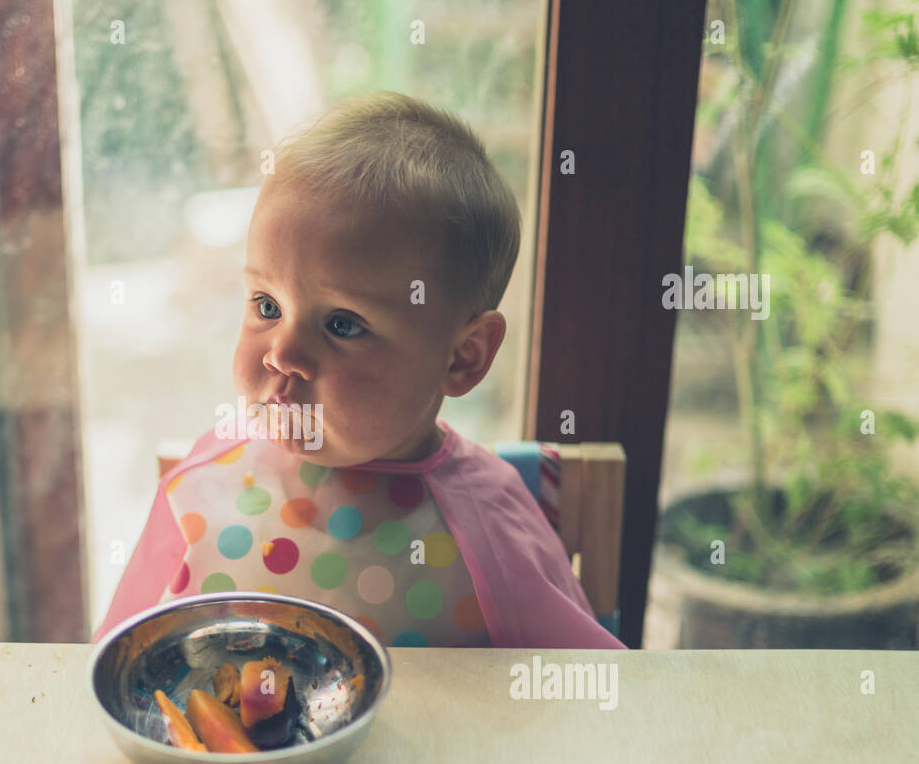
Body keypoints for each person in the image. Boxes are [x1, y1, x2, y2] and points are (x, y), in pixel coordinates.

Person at [93, 91, 625, 650]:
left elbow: (587, 700)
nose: (281, 354)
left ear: (463, 356)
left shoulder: (492, 529)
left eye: (343, 325)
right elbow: (115, 659)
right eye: (267, 306)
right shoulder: (201, 485)